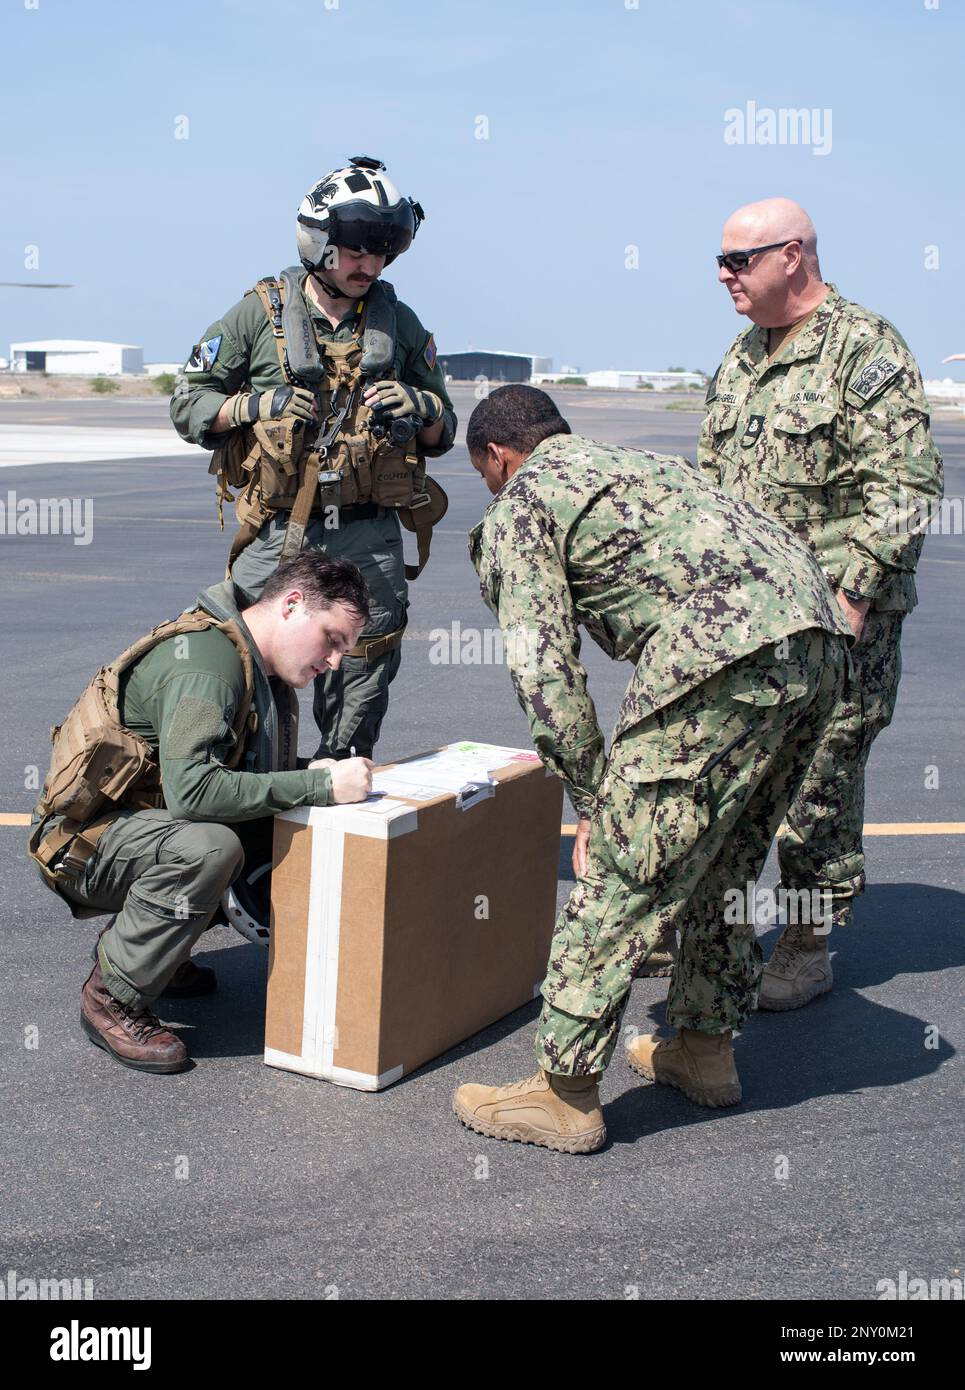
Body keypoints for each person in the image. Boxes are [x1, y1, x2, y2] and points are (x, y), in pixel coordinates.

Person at [451, 386, 852, 1154]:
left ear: (497, 456)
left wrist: (591, 799)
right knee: (726, 857)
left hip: (724, 650)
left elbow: (545, 672)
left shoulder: (523, 503)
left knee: (623, 864)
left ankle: (563, 1094)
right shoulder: (634, 463)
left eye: (484, 476)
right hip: (818, 641)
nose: (491, 489)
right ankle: (703, 1048)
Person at [699, 198, 943, 1009]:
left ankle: (806, 943)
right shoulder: (741, 356)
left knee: (818, 785)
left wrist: (853, 597)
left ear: (792, 256)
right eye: (720, 261)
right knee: (729, 776)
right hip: (748, 618)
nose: (723, 275)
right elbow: (712, 485)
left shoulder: (863, 347)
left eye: (738, 260)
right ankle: (712, 933)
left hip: (838, 621)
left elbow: (906, 487)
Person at [28, 554, 374, 1074]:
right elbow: (194, 793)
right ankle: (112, 995)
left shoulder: (259, 667)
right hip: (82, 846)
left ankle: (156, 954)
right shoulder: (210, 664)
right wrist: (319, 785)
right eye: (331, 639)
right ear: (292, 604)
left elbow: (246, 776)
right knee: (213, 848)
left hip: (138, 826)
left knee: (271, 818)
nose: (334, 662)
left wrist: (310, 773)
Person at [170, 155, 456, 762]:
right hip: (282, 530)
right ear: (319, 243)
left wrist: (420, 405)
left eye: (381, 254)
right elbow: (187, 403)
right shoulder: (257, 316)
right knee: (245, 651)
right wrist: (254, 405)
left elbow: (444, 428)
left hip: (369, 530)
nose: (369, 266)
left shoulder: (400, 325)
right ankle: (245, 786)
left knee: (365, 661)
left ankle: (338, 778)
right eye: (357, 252)